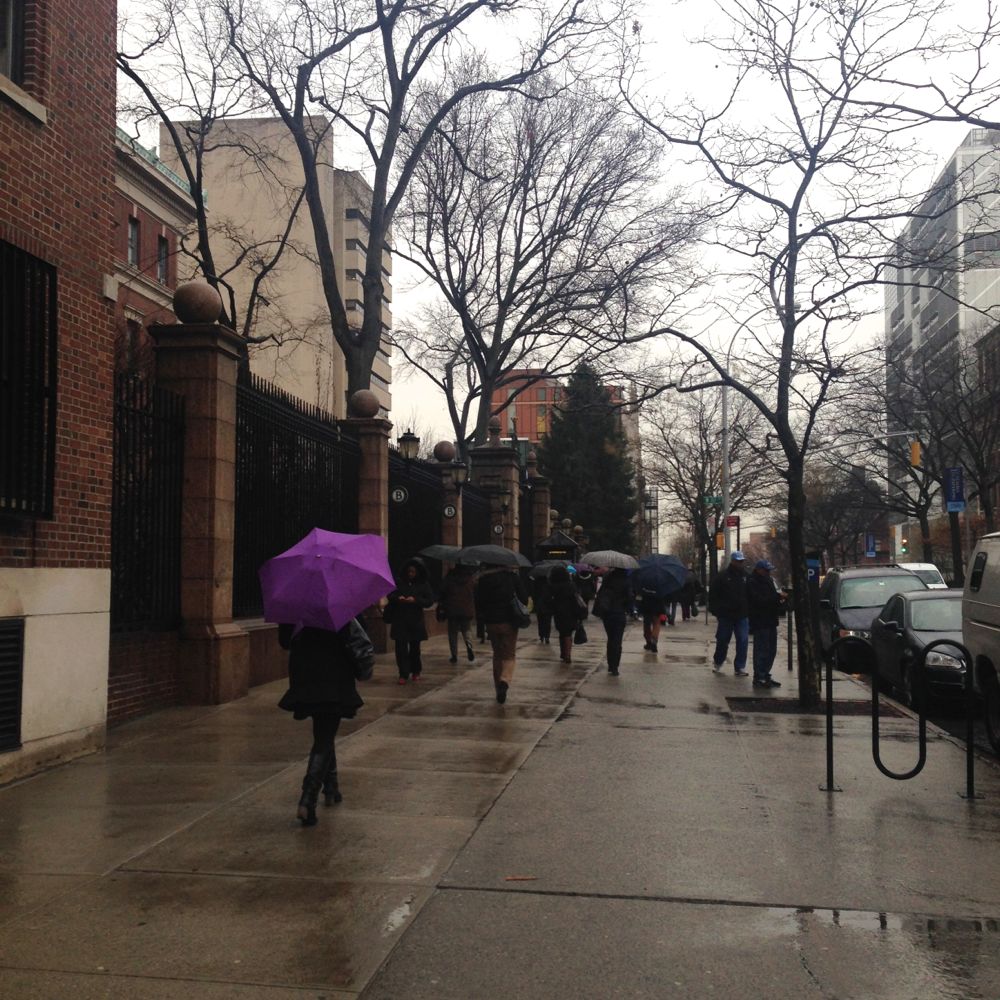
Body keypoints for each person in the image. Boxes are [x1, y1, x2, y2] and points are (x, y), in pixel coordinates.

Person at [278, 618, 374, 827]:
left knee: (323, 734)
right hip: (334, 681)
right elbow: (359, 643)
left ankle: (331, 786)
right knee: (324, 737)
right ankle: (308, 799)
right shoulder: (338, 610)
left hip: (305, 681)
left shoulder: (296, 612)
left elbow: (285, 642)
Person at [474, 563, 530, 703]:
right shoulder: (512, 578)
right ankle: (504, 681)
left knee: (497, 654)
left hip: (491, 622)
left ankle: (497, 686)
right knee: (509, 654)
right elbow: (524, 598)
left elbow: (478, 602)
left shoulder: (484, 580)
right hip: (509, 622)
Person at [386, 558, 435, 683]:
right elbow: (390, 595)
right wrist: (398, 598)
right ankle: (403, 673)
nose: (411, 574)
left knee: (415, 649)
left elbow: (429, 600)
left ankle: (416, 671)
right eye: (409, 572)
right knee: (401, 649)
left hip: (415, 621)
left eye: (413, 572)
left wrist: (416, 600)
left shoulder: (423, 584)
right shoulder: (399, 582)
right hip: (400, 619)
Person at [747, 559, 786, 689]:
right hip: (760, 620)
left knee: (771, 649)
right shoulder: (753, 582)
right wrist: (776, 598)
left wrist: (779, 599)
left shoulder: (768, 580)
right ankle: (759, 676)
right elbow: (758, 600)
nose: (768, 572)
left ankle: (765, 674)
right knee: (761, 649)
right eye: (766, 570)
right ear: (759, 570)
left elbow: (770, 598)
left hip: (770, 620)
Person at [709, 551, 750, 675]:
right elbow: (713, 594)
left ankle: (740, 666)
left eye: (741, 561)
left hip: (741, 614)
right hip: (726, 615)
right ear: (732, 561)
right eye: (738, 561)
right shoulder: (722, 576)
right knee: (722, 639)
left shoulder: (746, 577)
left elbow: (750, 593)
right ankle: (718, 661)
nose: (740, 563)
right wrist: (716, 610)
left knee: (743, 640)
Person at [592, 568, 633, 675]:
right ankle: (615, 666)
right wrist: (628, 609)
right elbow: (629, 598)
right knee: (617, 640)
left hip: (607, 613)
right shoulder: (626, 581)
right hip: (619, 613)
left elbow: (601, 594)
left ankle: (611, 664)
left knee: (610, 639)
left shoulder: (607, 579)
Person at [439, 563, 477, 664]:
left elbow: (442, 590)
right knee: (466, 630)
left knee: (452, 633)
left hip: (452, 609)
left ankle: (454, 655)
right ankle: (469, 645)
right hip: (466, 610)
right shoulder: (470, 579)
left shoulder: (450, 578)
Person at [549, 565, 585, 664]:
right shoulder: (571, 585)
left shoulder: (553, 586)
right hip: (571, 612)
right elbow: (576, 598)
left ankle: (563, 652)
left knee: (562, 632)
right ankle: (567, 654)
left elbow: (549, 600)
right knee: (568, 634)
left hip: (559, 613)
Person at [640, 586, 667, 652]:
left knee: (646, 624)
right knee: (656, 624)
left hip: (646, 606)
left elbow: (640, 594)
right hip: (657, 605)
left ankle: (648, 642)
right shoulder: (659, 583)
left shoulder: (643, 582)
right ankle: (654, 642)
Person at [532, 570, 553, 644]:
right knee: (547, 622)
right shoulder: (550, 584)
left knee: (540, 622)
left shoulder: (536, 583)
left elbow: (533, 595)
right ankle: (547, 636)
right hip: (548, 606)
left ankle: (541, 636)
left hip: (539, 606)